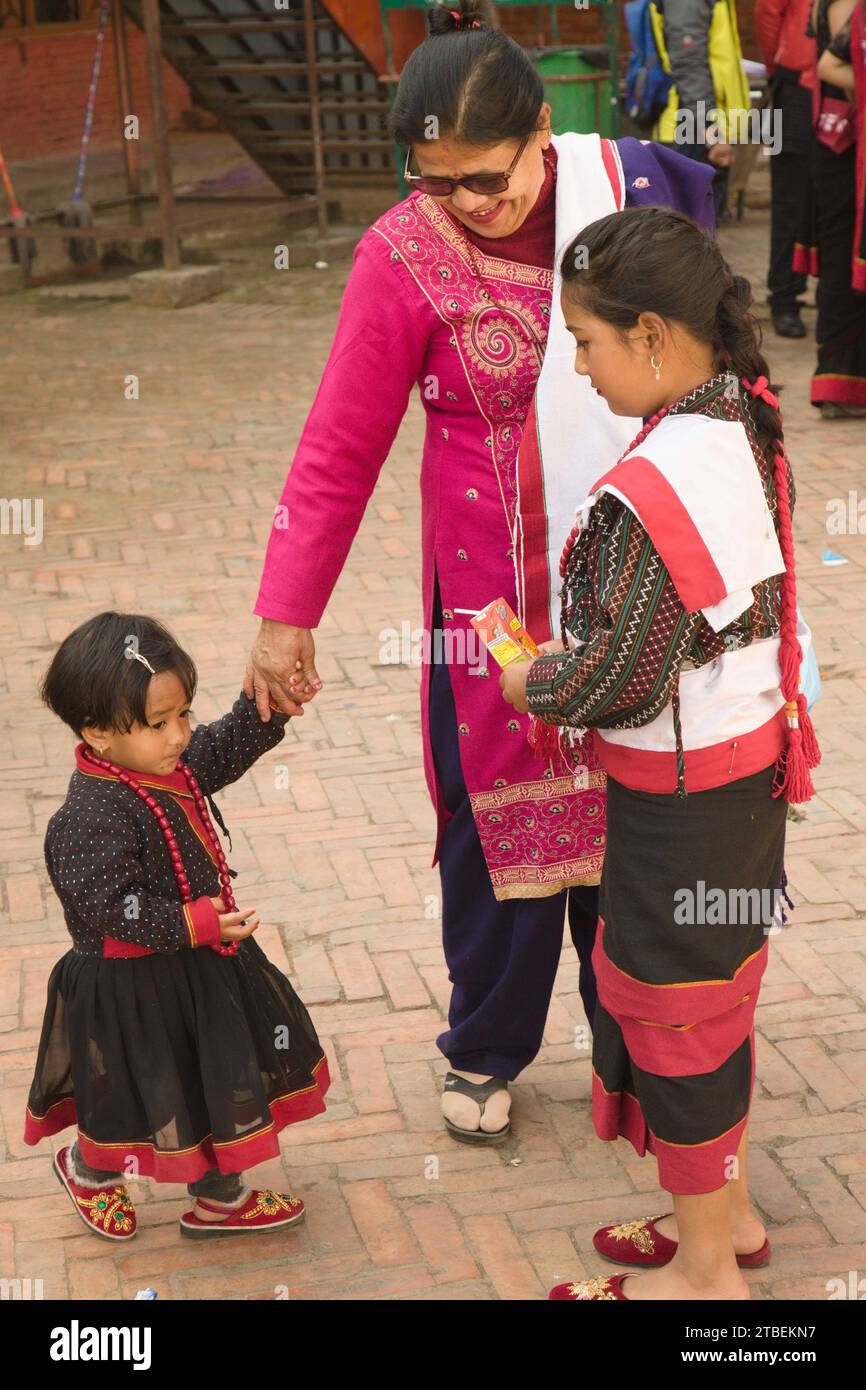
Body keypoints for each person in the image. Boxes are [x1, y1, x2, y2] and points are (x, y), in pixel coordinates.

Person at [246, 0, 716, 1146]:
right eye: (437, 180)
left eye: (486, 177)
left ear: (544, 132)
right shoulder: (402, 255)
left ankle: (638, 1051)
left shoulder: (636, 194)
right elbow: (338, 444)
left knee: (639, 814)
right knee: (491, 820)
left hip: (631, 579)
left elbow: (716, 361)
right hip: (491, 599)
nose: (464, 203)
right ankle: (486, 1043)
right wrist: (283, 613)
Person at [499, 206, 819, 1301]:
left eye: (584, 343)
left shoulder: (648, 490)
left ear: (648, 335)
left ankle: (704, 1279)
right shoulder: (739, 413)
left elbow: (617, 680)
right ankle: (722, 1219)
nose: (577, 368)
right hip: (743, 781)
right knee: (715, 996)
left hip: (677, 802)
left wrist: (528, 677)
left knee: (670, 1013)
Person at [24, 612, 330, 1241]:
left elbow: (223, 744)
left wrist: (266, 707)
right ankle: (89, 1171)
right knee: (131, 1094)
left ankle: (219, 1196)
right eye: (159, 724)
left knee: (212, 1076)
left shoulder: (173, 764)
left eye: (184, 714)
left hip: (199, 968)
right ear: (98, 733)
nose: (180, 735)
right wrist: (197, 921)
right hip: (129, 989)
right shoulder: (89, 814)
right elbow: (113, 907)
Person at [794, 0, 866, 415]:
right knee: (844, 261)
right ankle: (837, 385)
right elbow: (834, 64)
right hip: (843, 147)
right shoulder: (846, 4)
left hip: (841, 141)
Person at [649, 0, 749, 220]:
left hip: (698, 124)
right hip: (692, 128)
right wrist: (712, 133)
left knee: (697, 229)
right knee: (689, 229)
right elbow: (689, 65)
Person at [755, 0, 817, 337]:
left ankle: (834, 293)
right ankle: (785, 298)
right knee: (791, 203)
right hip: (795, 88)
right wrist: (783, 66)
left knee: (840, 201)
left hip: (844, 88)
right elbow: (767, 14)